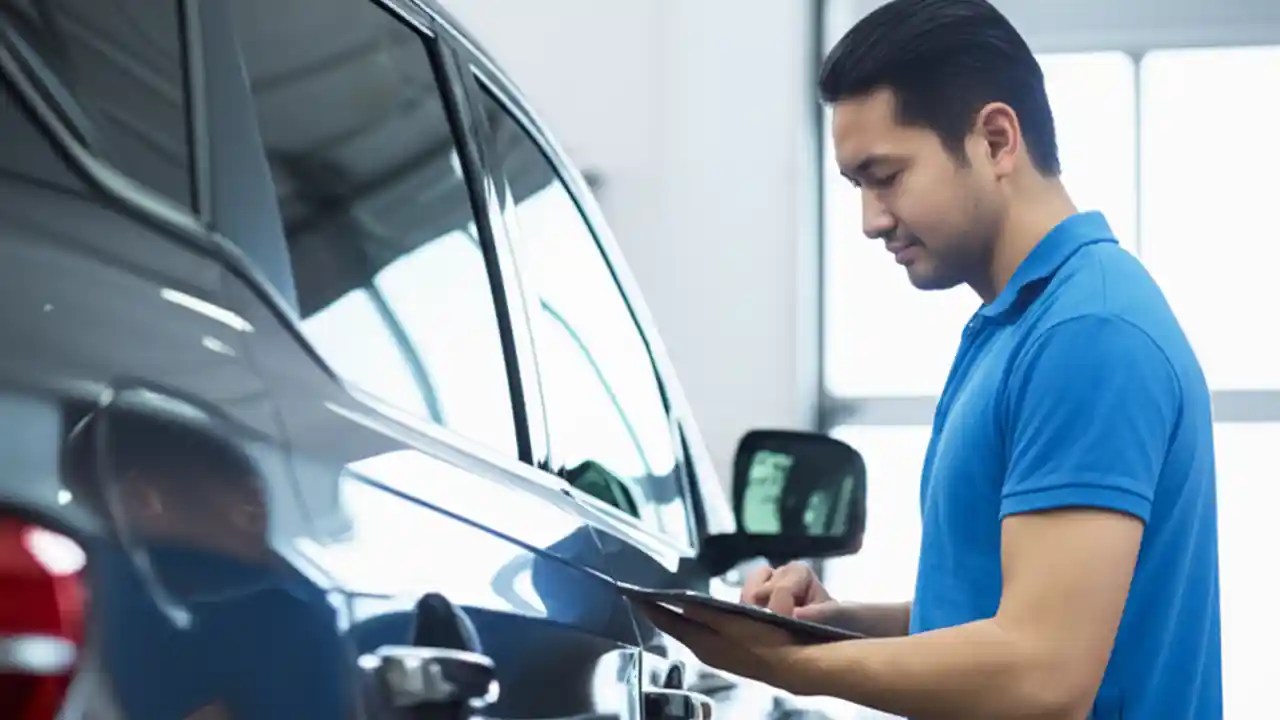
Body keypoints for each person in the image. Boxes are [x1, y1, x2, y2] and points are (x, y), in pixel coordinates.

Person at [639, 1, 1222, 718]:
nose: (871, 220)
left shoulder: (1089, 333)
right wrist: (831, 632)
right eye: (857, 186)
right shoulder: (1019, 326)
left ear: (996, 139)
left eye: (885, 176)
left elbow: (1043, 676)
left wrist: (787, 669)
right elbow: (998, 615)